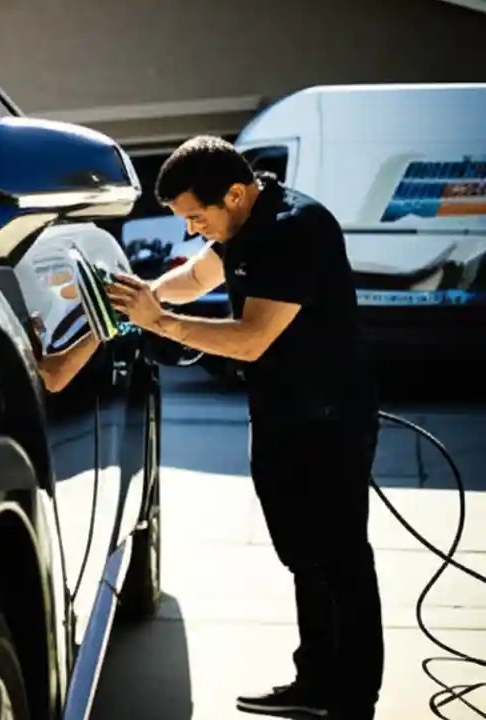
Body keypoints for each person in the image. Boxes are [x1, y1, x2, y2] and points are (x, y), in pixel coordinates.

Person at [106, 136, 383, 720]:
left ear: (234, 194)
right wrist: (140, 296)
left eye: (195, 216)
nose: (190, 230)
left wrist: (161, 322)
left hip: (328, 419)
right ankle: (316, 682)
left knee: (340, 561)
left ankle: (353, 699)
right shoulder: (242, 225)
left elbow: (252, 338)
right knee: (304, 556)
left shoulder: (294, 229)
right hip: (282, 413)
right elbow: (198, 275)